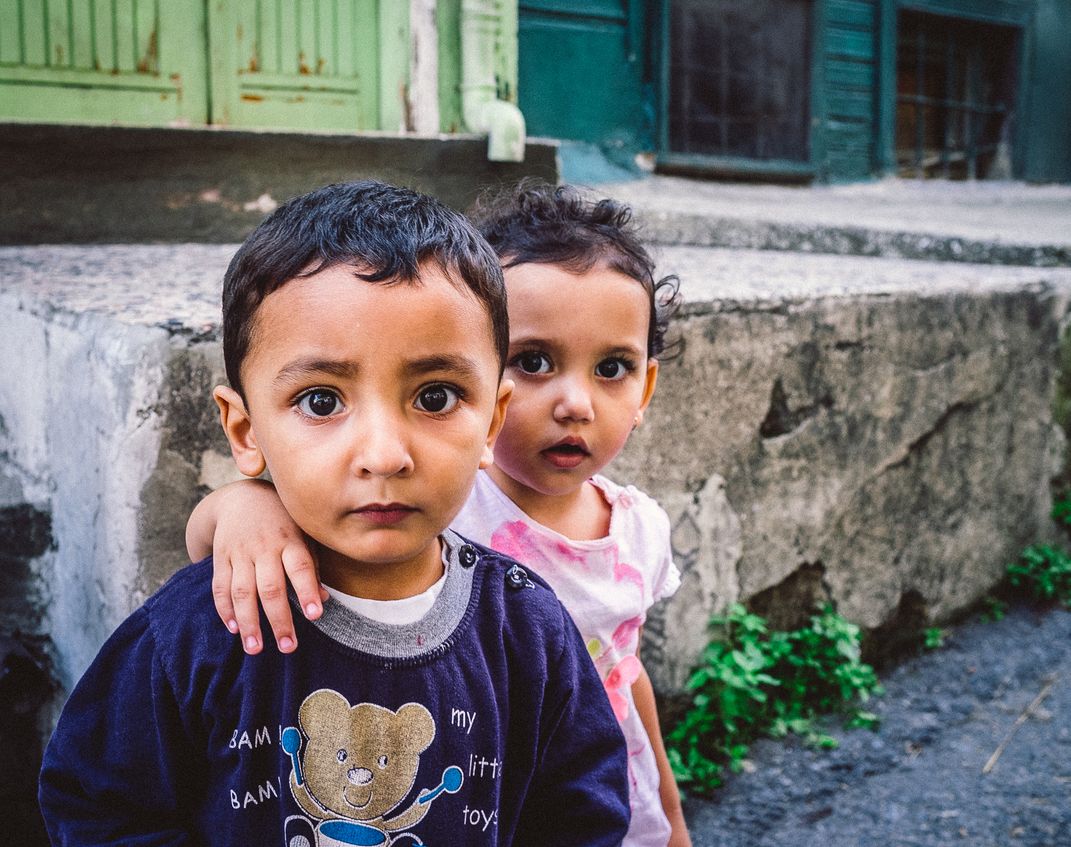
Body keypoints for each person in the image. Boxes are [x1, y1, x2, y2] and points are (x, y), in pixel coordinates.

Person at [38, 180, 631, 847]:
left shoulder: (526, 631)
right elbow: (98, 805)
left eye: (435, 396)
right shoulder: (199, 631)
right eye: (321, 401)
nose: (383, 454)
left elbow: (581, 816)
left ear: (491, 419)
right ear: (245, 430)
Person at [187, 182, 691, 846]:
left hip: (598, 788)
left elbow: (625, 669)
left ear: (646, 385)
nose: (574, 402)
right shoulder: (436, 505)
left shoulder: (638, 530)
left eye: (612, 366)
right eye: (535, 360)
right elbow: (222, 543)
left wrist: (671, 808)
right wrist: (241, 502)